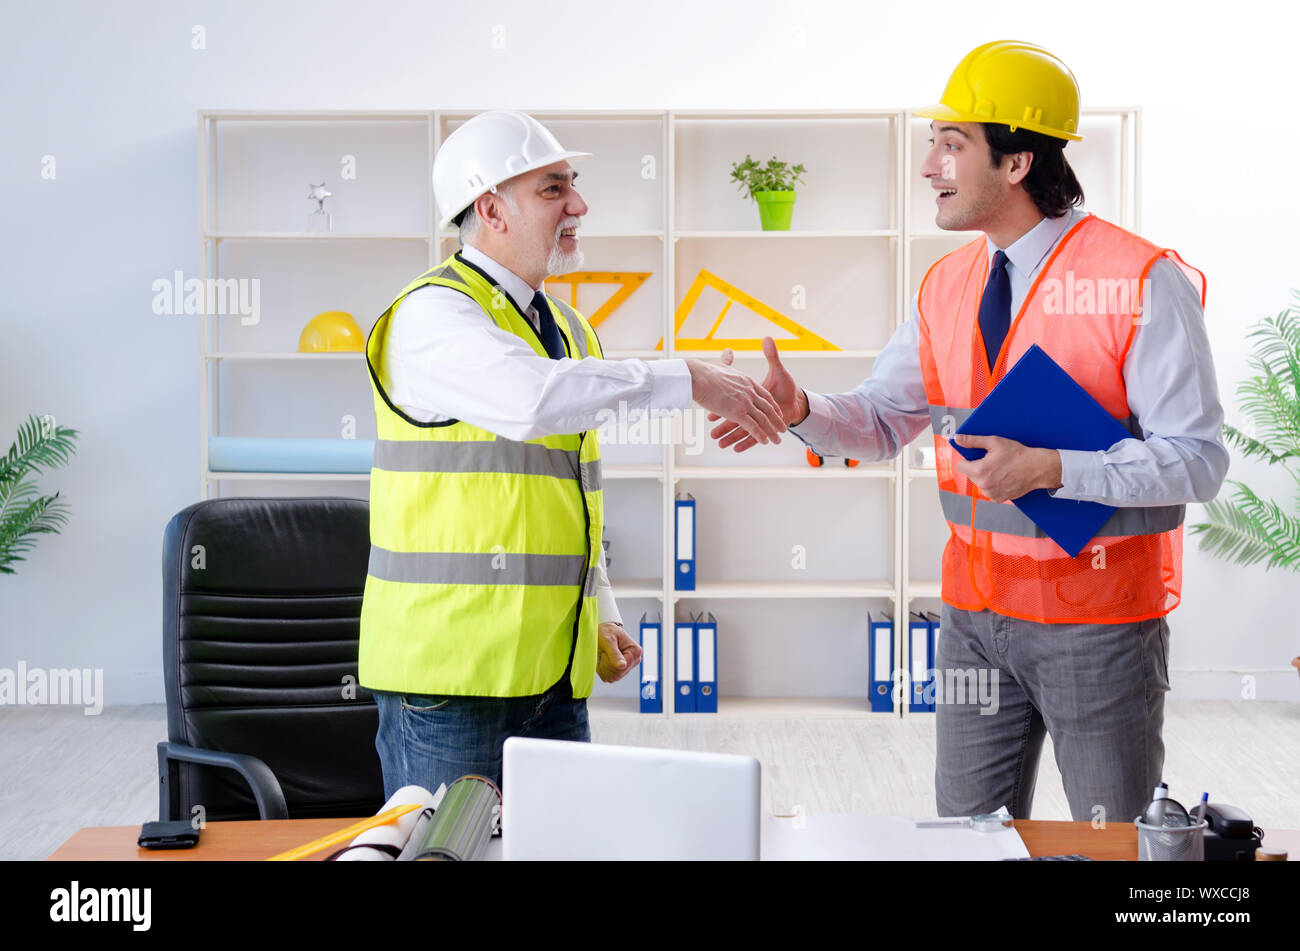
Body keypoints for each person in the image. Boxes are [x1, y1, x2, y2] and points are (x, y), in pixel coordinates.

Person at [710, 42, 1228, 822]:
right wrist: (801, 410)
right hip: (973, 621)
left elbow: (1198, 462)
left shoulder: (1138, 279)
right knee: (962, 837)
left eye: (952, 145)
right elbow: (884, 421)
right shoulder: (949, 284)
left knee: (1115, 840)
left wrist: (1055, 466)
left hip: (1097, 623)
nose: (929, 166)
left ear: (1016, 161)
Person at [358, 110, 785, 798]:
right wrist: (692, 378)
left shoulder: (570, 329)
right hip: (447, 685)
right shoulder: (430, 315)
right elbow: (529, 399)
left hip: (555, 676)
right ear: (491, 208)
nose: (580, 205)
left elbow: (571, 492)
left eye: (573, 185)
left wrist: (604, 609)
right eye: (553, 189)